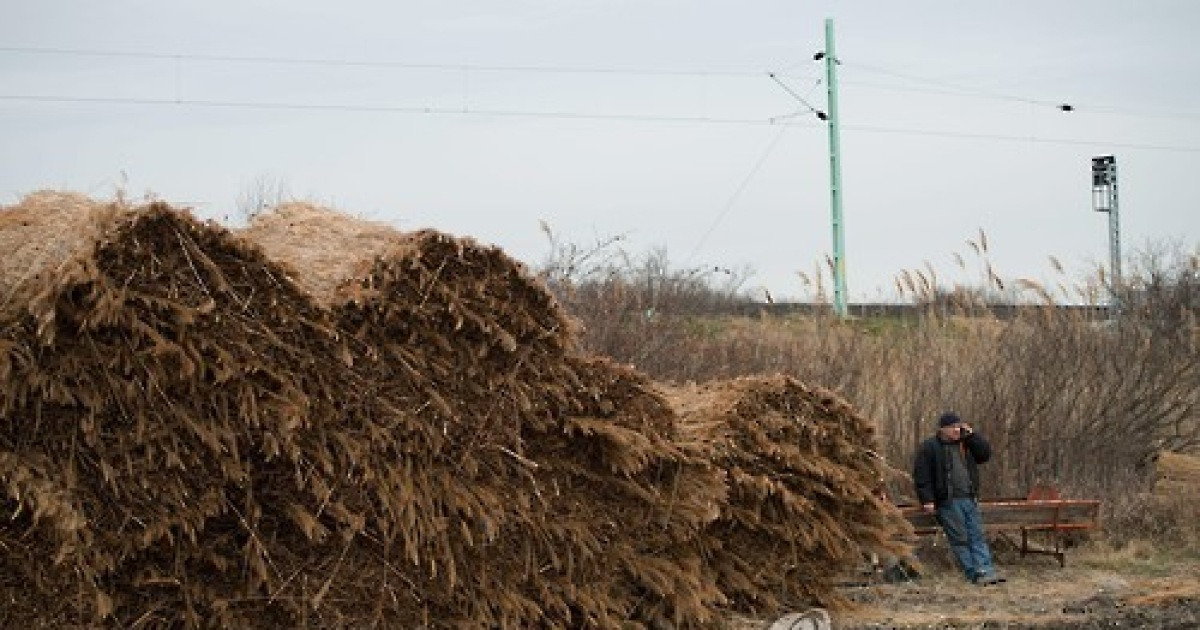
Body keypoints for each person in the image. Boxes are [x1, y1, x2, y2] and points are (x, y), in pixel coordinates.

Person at [912, 412, 1004, 585]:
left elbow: (985, 455)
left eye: (958, 426)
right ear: (942, 429)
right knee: (960, 539)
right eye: (952, 427)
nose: (956, 430)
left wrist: (972, 435)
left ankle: (986, 571)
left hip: (969, 498)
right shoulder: (930, 447)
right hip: (948, 501)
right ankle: (973, 574)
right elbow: (922, 476)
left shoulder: (966, 444)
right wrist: (927, 500)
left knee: (977, 536)